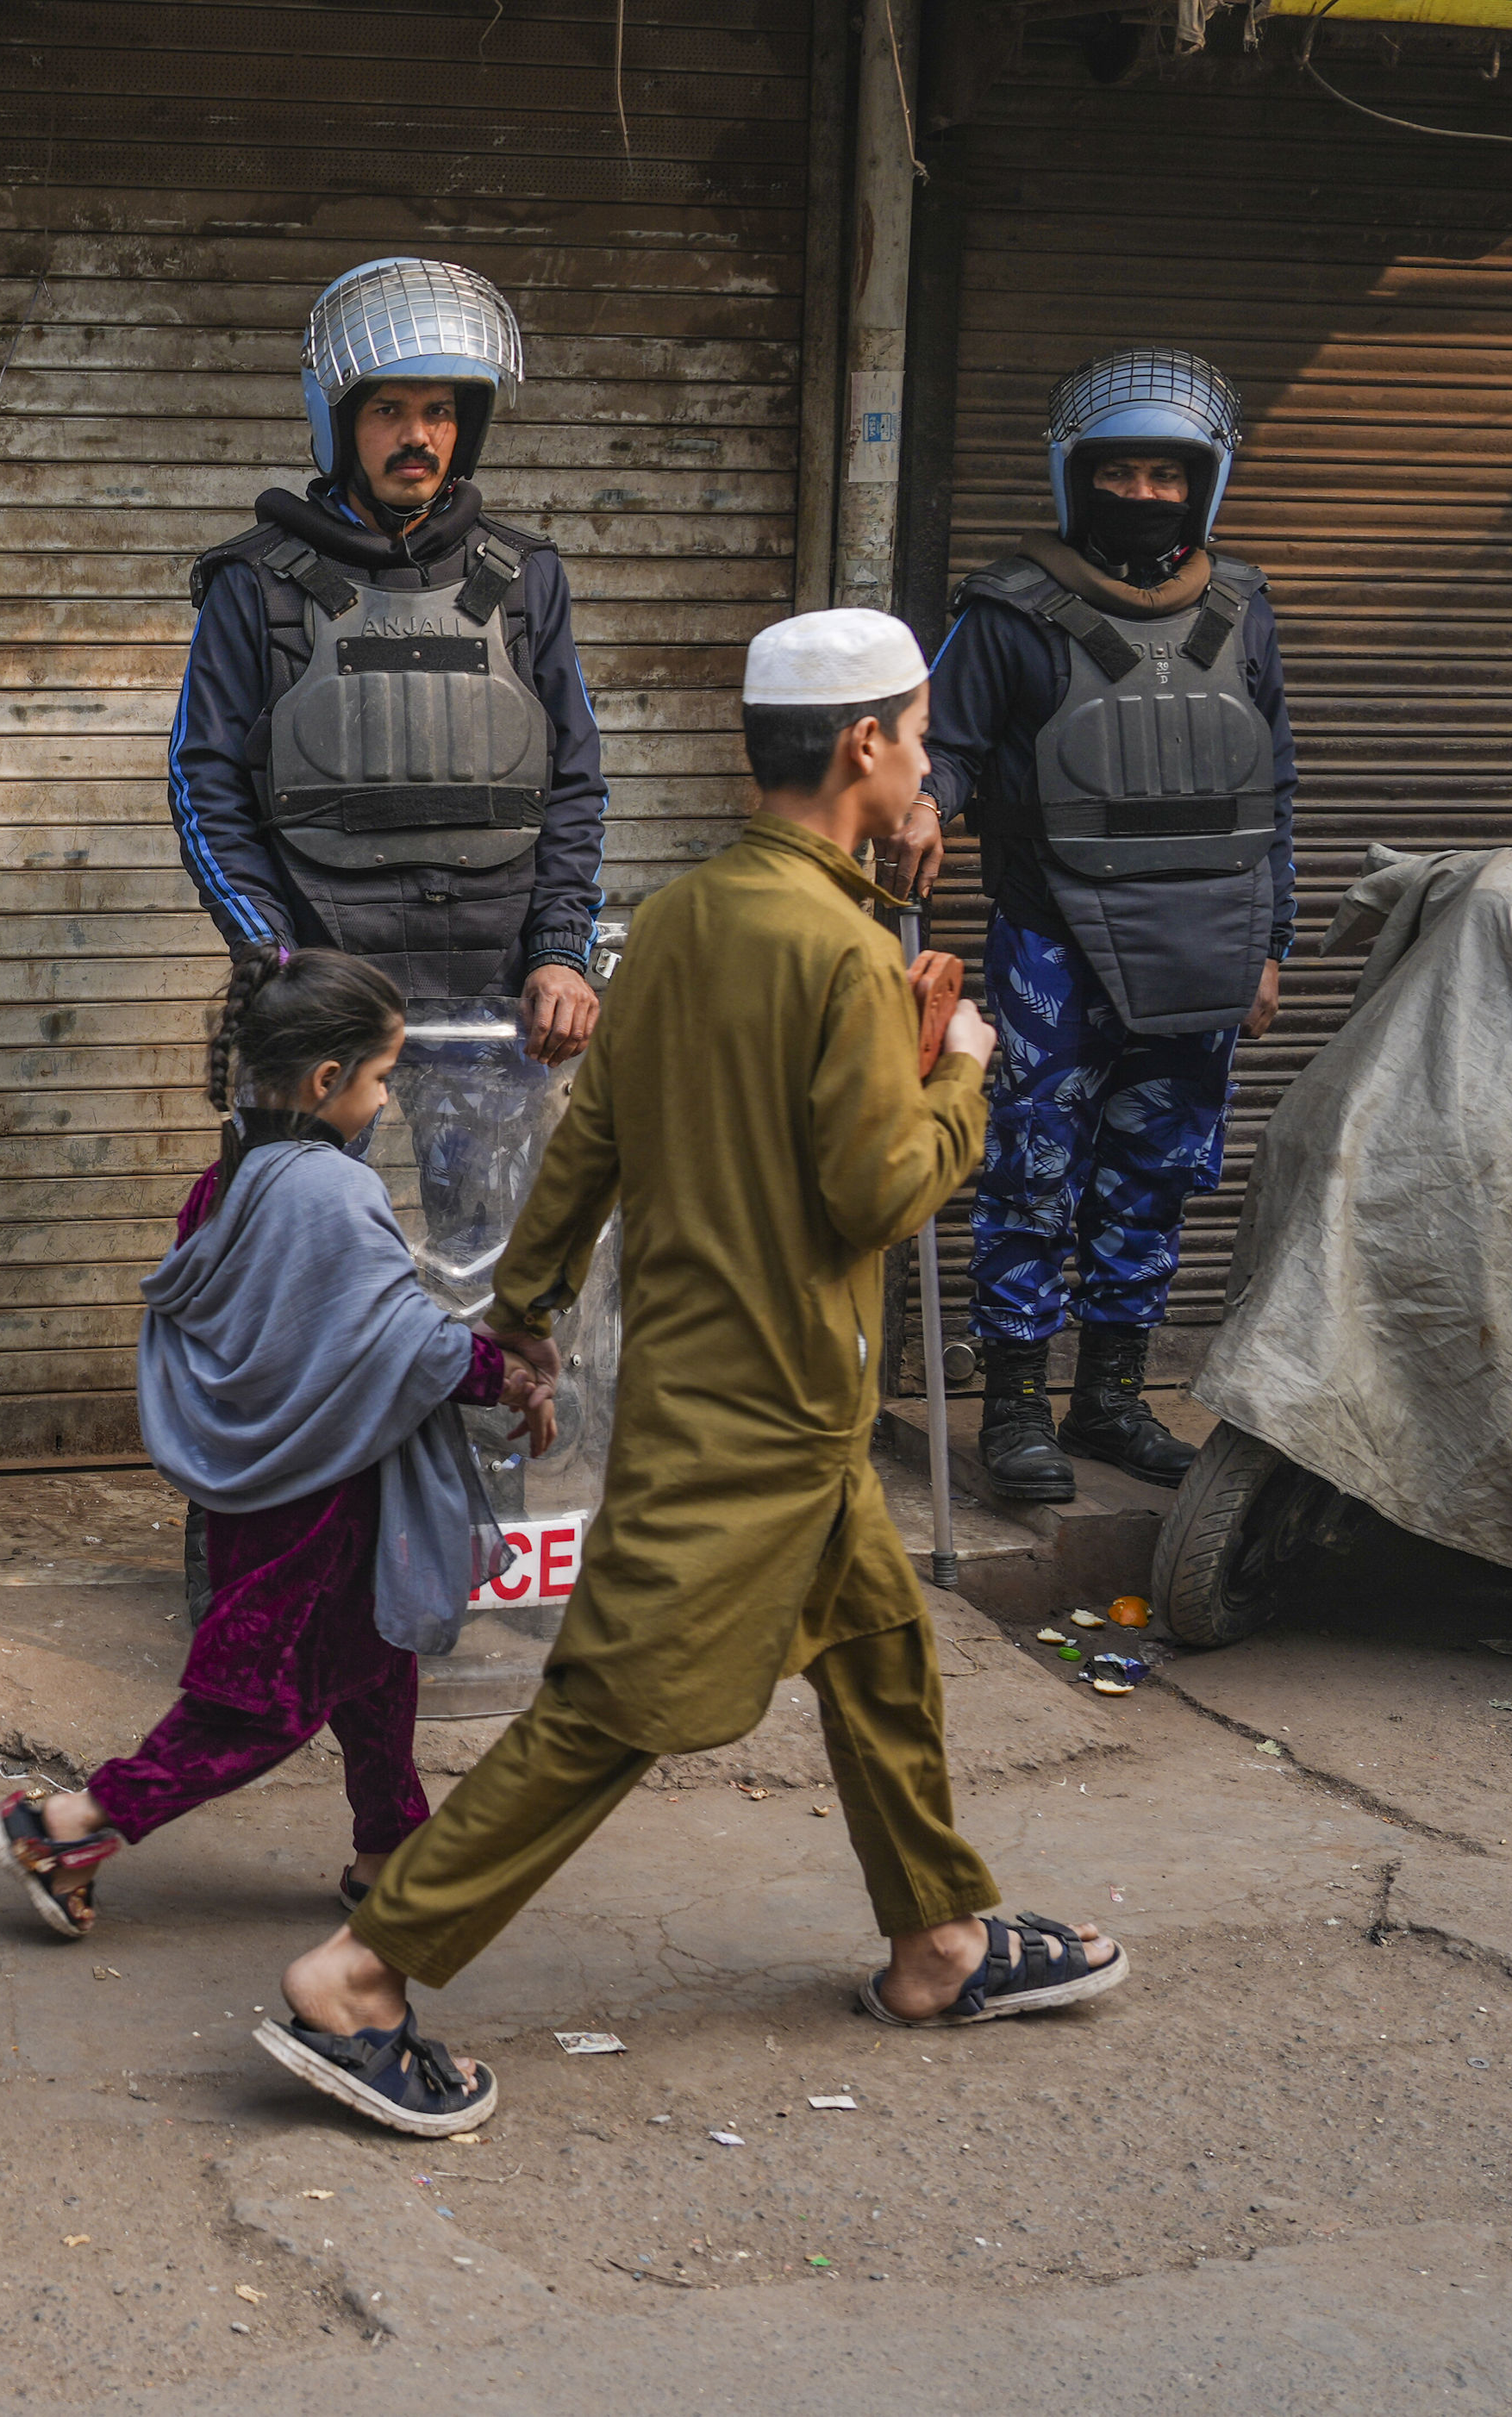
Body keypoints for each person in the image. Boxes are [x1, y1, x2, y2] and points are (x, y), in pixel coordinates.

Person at [256, 609, 1127, 2141]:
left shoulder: (679, 918)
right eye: (918, 737)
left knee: (877, 1650)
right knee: (605, 1708)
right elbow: (871, 1190)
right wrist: (966, 1073)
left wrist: (526, 1308)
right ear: (863, 745)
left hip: (746, 1396)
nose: (928, 765)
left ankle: (937, 1936)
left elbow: (590, 1136)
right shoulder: (843, 957)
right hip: (767, 1415)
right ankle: (361, 1972)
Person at [0, 952, 557, 1939]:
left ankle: (390, 1849)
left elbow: (320, 1324)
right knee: (259, 1700)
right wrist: (500, 1375)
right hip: (320, 1499)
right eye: (381, 1078)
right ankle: (69, 1825)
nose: (383, 1099)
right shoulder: (326, 1190)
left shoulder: (230, 1175)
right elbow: (392, 1335)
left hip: (276, 1476)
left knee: (377, 1661)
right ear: (329, 1080)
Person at [898, 347, 1296, 1502]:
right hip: (1054, 942)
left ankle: (1111, 1403)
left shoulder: (1242, 610)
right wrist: (926, 804)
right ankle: (1013, 1412)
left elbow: (1271, 793)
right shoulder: (1008, 611)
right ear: (1076, 478)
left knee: (1156, 1175)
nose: (1141, 496)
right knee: (1032, 1173)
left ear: (1201, 484)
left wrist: (1269, 942)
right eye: (1117, 472)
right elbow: (950, 747)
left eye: (1163, 477)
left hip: (1206, 940)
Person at [168, 255, 611, 1057]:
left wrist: (558, 953)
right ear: (339, 422)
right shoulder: (253, 584)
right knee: (307, 1186)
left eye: (440, 410)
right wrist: (270, 954)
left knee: (500, 1190)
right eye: (388, 409)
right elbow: (206, 785)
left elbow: (575, 780)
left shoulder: (525, 578)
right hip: (323, 975)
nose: (418, 437)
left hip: (501, 985)